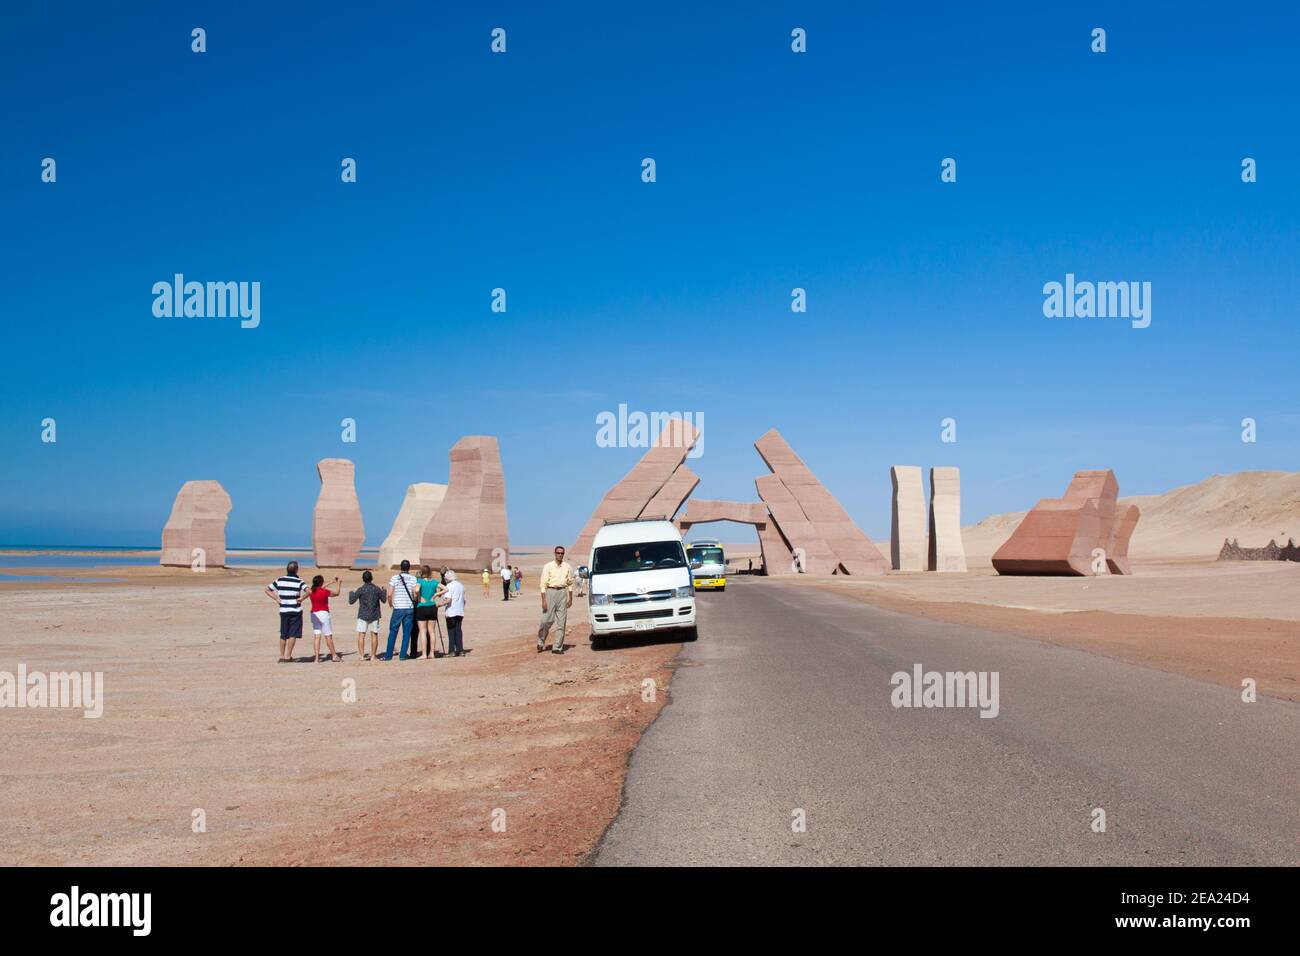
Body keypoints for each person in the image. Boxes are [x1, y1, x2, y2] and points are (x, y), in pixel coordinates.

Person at [266, 560, 309, 663]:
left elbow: (267, 590)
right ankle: (288, 656)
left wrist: (276, 598)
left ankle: (281, 656)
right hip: (295, 610)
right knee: (293, 634)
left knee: (283, 634)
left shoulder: (279, 580)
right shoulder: (299, 581)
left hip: (284, 610)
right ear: (297, 570)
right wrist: (302, 598)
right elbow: (309, 591)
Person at [537, 545, 575, 654]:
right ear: (555, 553)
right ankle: (541, 641)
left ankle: (557, 647)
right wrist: (543, 600)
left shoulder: (567, 567)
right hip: (550, 592)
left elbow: (570, 583)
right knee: (546, 620)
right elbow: (543, 584)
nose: (560, 555)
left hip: (562, 593)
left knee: (561, 622)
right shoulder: (548, 566)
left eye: (562, 553)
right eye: (558, 553)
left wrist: (570, 598)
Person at [384, 560, 420, 660]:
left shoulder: (394, 578)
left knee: (393, 631)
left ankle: (388, 655)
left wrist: (391, 604)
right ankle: (403, 655)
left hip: (398, 607)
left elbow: (390, 594)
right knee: (406, 633)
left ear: (400, 567)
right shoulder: (413, 579)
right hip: (409, 607)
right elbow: (415, 593)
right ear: (409, 568)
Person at [349, 570, 386, 661]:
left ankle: (361, 656)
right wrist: (384, 590)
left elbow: (351, 601)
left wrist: (351, 593)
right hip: (374, 614)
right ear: (371, 578)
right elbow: (384, 600)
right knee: (374, 635)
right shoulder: (376, 589)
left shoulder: (361, 589)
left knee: (361, 635)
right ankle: (373, 656)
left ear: (363, 579)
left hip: (363, 614)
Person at [308, 574, 343, 663]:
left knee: (317, 636)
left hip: (314, 614)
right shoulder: (324, 591)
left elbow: (319, 588)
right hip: (323, 614)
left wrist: (331, 582)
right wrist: (339, 583)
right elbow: (337, 593)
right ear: (321, 582)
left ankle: (316, 658)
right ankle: (334, 656)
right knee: (328, 636)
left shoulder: (311, 591)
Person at [414, 564, 445, 660]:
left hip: (422, 607)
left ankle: (424, 654)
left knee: (423, 631)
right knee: (432, 631)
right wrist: (436, 594)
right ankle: (432, 653)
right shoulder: (434, 581)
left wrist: (419, 597)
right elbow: (445, 589)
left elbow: (416, 589)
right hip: (432, 606)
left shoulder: (420, 581)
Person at [439, 569, 467, 657]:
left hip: (451, 612)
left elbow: (448, 599)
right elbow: (464, 600)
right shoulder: (461, 585)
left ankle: (451, 651)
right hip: (460, 611)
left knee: (451, 631)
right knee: (458, 631)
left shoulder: (449, 586)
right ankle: (460, 650)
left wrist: (438, 605)